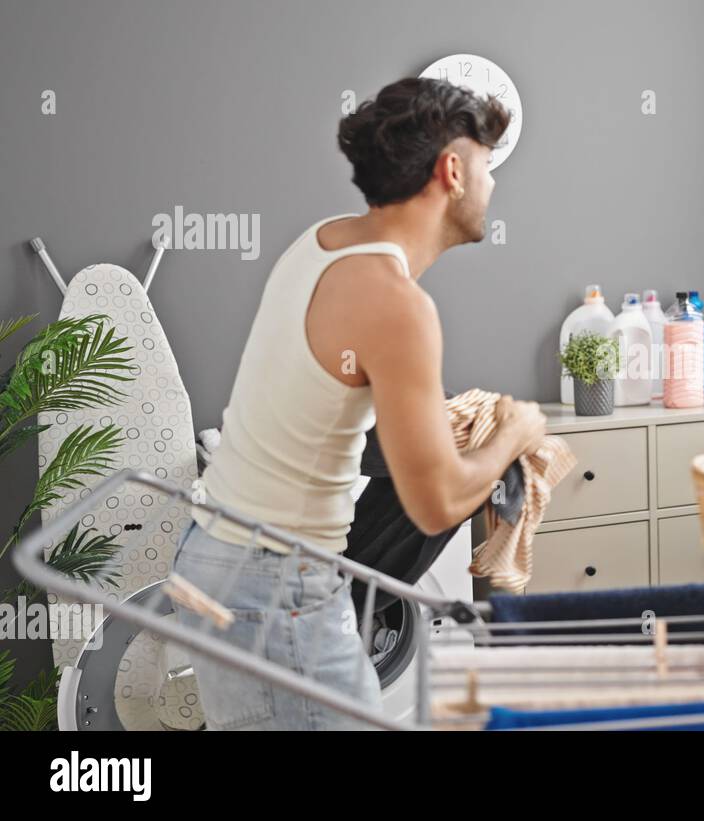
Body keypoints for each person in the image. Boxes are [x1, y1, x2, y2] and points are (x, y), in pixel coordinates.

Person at [173, 77, 547, 730]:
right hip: (276, 587)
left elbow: (322, 401)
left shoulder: (321, 242)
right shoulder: (398, 305)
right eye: (486, 165)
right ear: (452, 170)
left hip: (215, 553)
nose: (491, 185)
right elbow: (435, 502)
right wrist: (513, 434)